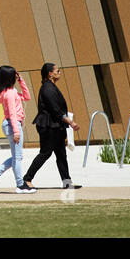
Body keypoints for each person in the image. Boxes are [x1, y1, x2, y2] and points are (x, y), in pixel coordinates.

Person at [23, 62, 82, 190]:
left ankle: (67, 181)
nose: (59, 73)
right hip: (48, 126)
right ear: (50, 74)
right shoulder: (48, 89)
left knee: (61, 154)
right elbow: (56, 110)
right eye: (57, 71)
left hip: (56, 126)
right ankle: (27, 179)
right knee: (45, 153)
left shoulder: (51, 87)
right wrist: (70, 122)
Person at [0, 65, 35, 193]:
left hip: (12, 124)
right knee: (18, 158)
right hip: (13, 124)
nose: (16, 76)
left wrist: (21, 81)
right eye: (14, 75)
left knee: (16, 157)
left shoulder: (9, 92)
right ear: (9, 77)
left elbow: (27, 97)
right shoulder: (10, 94)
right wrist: (17, 131)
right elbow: (12, 113)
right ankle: (20, 185)